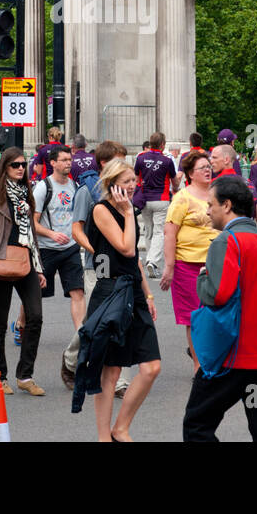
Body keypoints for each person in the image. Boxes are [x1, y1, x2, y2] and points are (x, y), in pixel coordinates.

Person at [182, 174, 257, 441]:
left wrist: (203, 277)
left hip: (235, 355)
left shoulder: (227, 241)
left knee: (197, 425)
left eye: (211, 204)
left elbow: (218, 295)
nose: (208, 211)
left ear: (227, 205)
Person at [73, 159, 161, 441]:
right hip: (110, 292)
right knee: (110, 373)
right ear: (112, 184)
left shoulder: (128, 210)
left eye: (134, 181)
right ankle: (104, 437)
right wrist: (126, 212)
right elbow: (124, 248)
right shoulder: (102, 209)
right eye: (126, 182)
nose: (132, 186)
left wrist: (147, 293)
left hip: (132, 290)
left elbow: (134, 258)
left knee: (151, 367)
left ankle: (121, 426)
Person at [0, 147, 47, 396]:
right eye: (15, 165)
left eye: (23, 165)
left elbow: (31, 233)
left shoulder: (27, 194)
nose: (20, 168)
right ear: (4, 167)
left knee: (35, 316)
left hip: (26, 260)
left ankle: (25, 375)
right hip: (0, 260)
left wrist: (38, 268)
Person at [68, 139, 130, 394]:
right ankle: (72, 358)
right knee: (98, 318)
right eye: (120, 159)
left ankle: (120, 380)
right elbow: (76, 229)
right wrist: (96, 248)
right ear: (104, 163)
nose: (125, 165)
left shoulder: (125, 191)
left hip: (123, 264)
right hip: (98, 265)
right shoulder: (87, 191)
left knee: (120, 317)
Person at [31, 145, 85, 388]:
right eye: (63, 160)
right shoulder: (43, 187)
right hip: (47, 248)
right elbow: (33, 222)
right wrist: (52, 234)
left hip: (71, 247)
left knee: (78, 292)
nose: (68, 163)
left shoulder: (75, 185)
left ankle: (81, 334)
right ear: (52, 163)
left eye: (69, 159)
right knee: (35, 295)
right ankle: (22, 323)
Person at [160, 150, 216, 372]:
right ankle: (198, 365)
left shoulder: (218, 194)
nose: (207, 170)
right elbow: (170, 232)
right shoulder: (182, 198)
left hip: (217, 265)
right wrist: (169, 266)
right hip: (188, 266)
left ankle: (212, 358)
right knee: (195, 318)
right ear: (191, 174)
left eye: (209, 166)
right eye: (202, 167)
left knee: (216, 316)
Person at [133, 132, 177, 277]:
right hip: (161, 199)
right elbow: (174, 181)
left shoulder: (140, 158)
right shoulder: (167, 161)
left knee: (149, 230)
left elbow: (136, 179)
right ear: (163, 145)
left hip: (145, 199)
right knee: (159, 232)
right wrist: (176, 190)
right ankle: (153, 261)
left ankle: (150, 261)